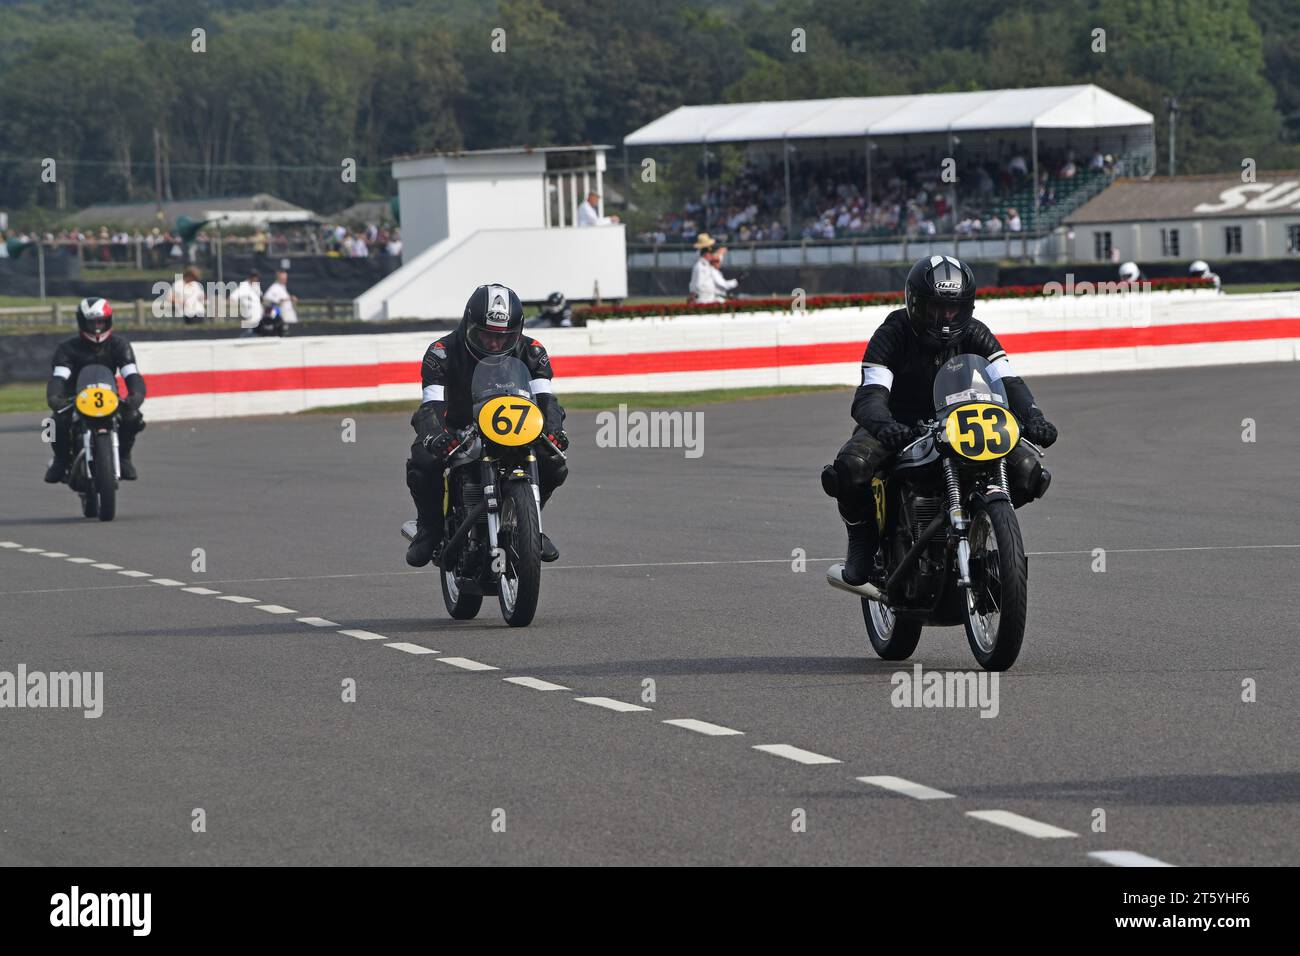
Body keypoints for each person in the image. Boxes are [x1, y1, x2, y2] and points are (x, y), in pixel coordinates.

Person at [820, 256, 1057, 589]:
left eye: (955, 308)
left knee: (1031, 472)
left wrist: (1033, 417)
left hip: (962, 422)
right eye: (936, 308)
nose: (947, 317)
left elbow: (1008, 380)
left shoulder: (977, 333)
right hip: (899, 425)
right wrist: (884, 424)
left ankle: (983, 525)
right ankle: (863, 541)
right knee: (849, 468)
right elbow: (870, 392)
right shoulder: (893, 333)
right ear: (915, 303)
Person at [404, 284, 569, 567]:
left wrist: (553, 428)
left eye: (503, 337)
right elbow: (431, 403)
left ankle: (529, 524)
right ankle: (428, 529)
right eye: (486, 335)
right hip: (457, 428)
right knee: (423, 459)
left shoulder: (533, 350)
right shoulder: (442, 352)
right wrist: (435, 435)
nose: (494, 344)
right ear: (469, 325)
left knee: (554, 461)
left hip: (517, 425)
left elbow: (546, 398)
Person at [44, 298, 146, 482]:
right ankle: (60, 460)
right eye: (92, 322)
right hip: (74, 397)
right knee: (52, 423)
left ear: (108, 321)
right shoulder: (67, 348)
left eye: (100, 321)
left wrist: (136, 394)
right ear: (82, 322)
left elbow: (131, 374)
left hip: (109, 397)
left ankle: (124, 457)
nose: (96, 327)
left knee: (133, 417)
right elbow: (59, 377)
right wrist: (55, 397)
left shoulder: (120, 345)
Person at [687, 235, 737, 304]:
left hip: (707, 298)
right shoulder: (701, 266)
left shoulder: (703, 263)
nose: (712, 255)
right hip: (703, 300)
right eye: (710, 253)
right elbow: (698, 285)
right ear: (707, 253)